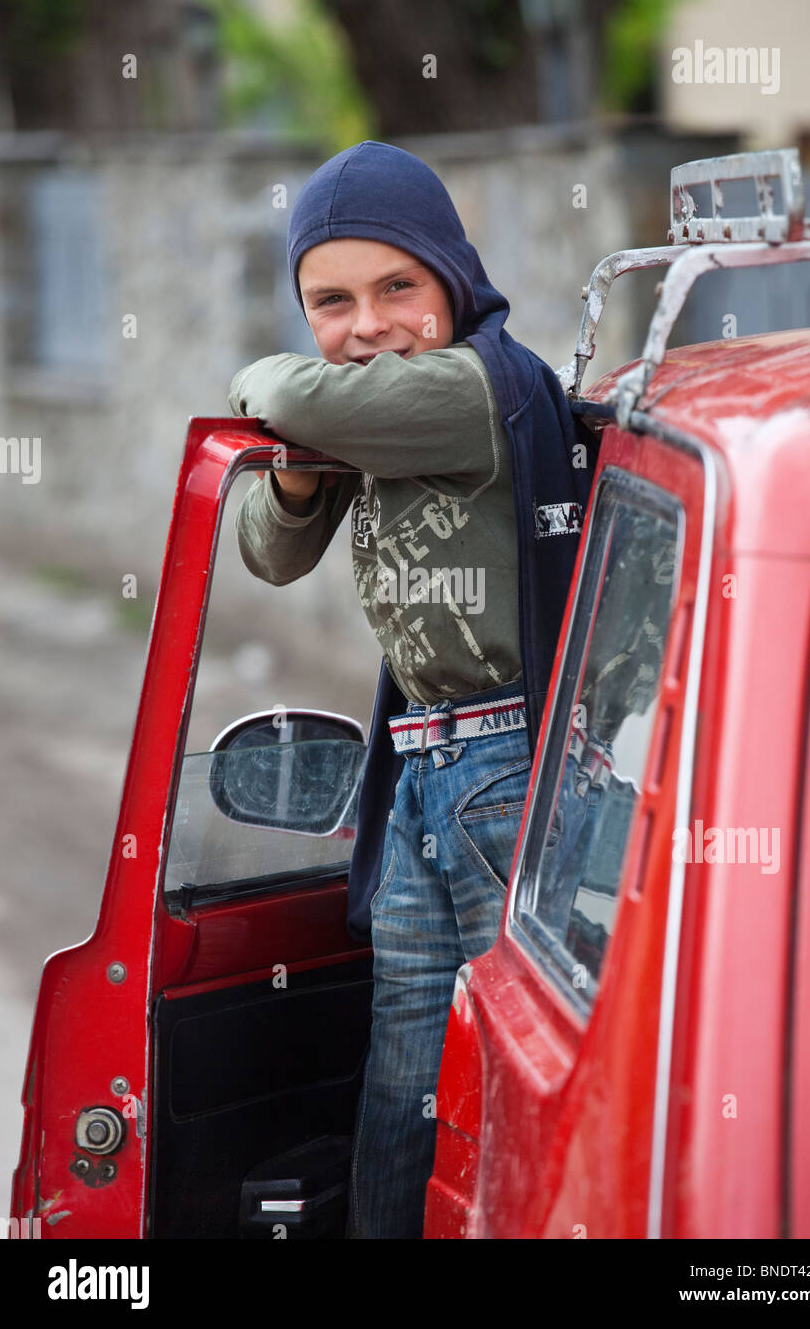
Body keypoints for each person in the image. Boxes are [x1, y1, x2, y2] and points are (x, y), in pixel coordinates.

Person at [228, 140, 598, 1238]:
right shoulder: (368, 409)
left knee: (514, 1068)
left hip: (503, 769)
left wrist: (290, 395)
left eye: (399, 286)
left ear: (450, 275)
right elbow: (269, 548)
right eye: (329, 302)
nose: (370, 323)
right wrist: (300, 459)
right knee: (403, 1072)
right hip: (425, 770)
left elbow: (283, 386)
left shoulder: (472, 384)